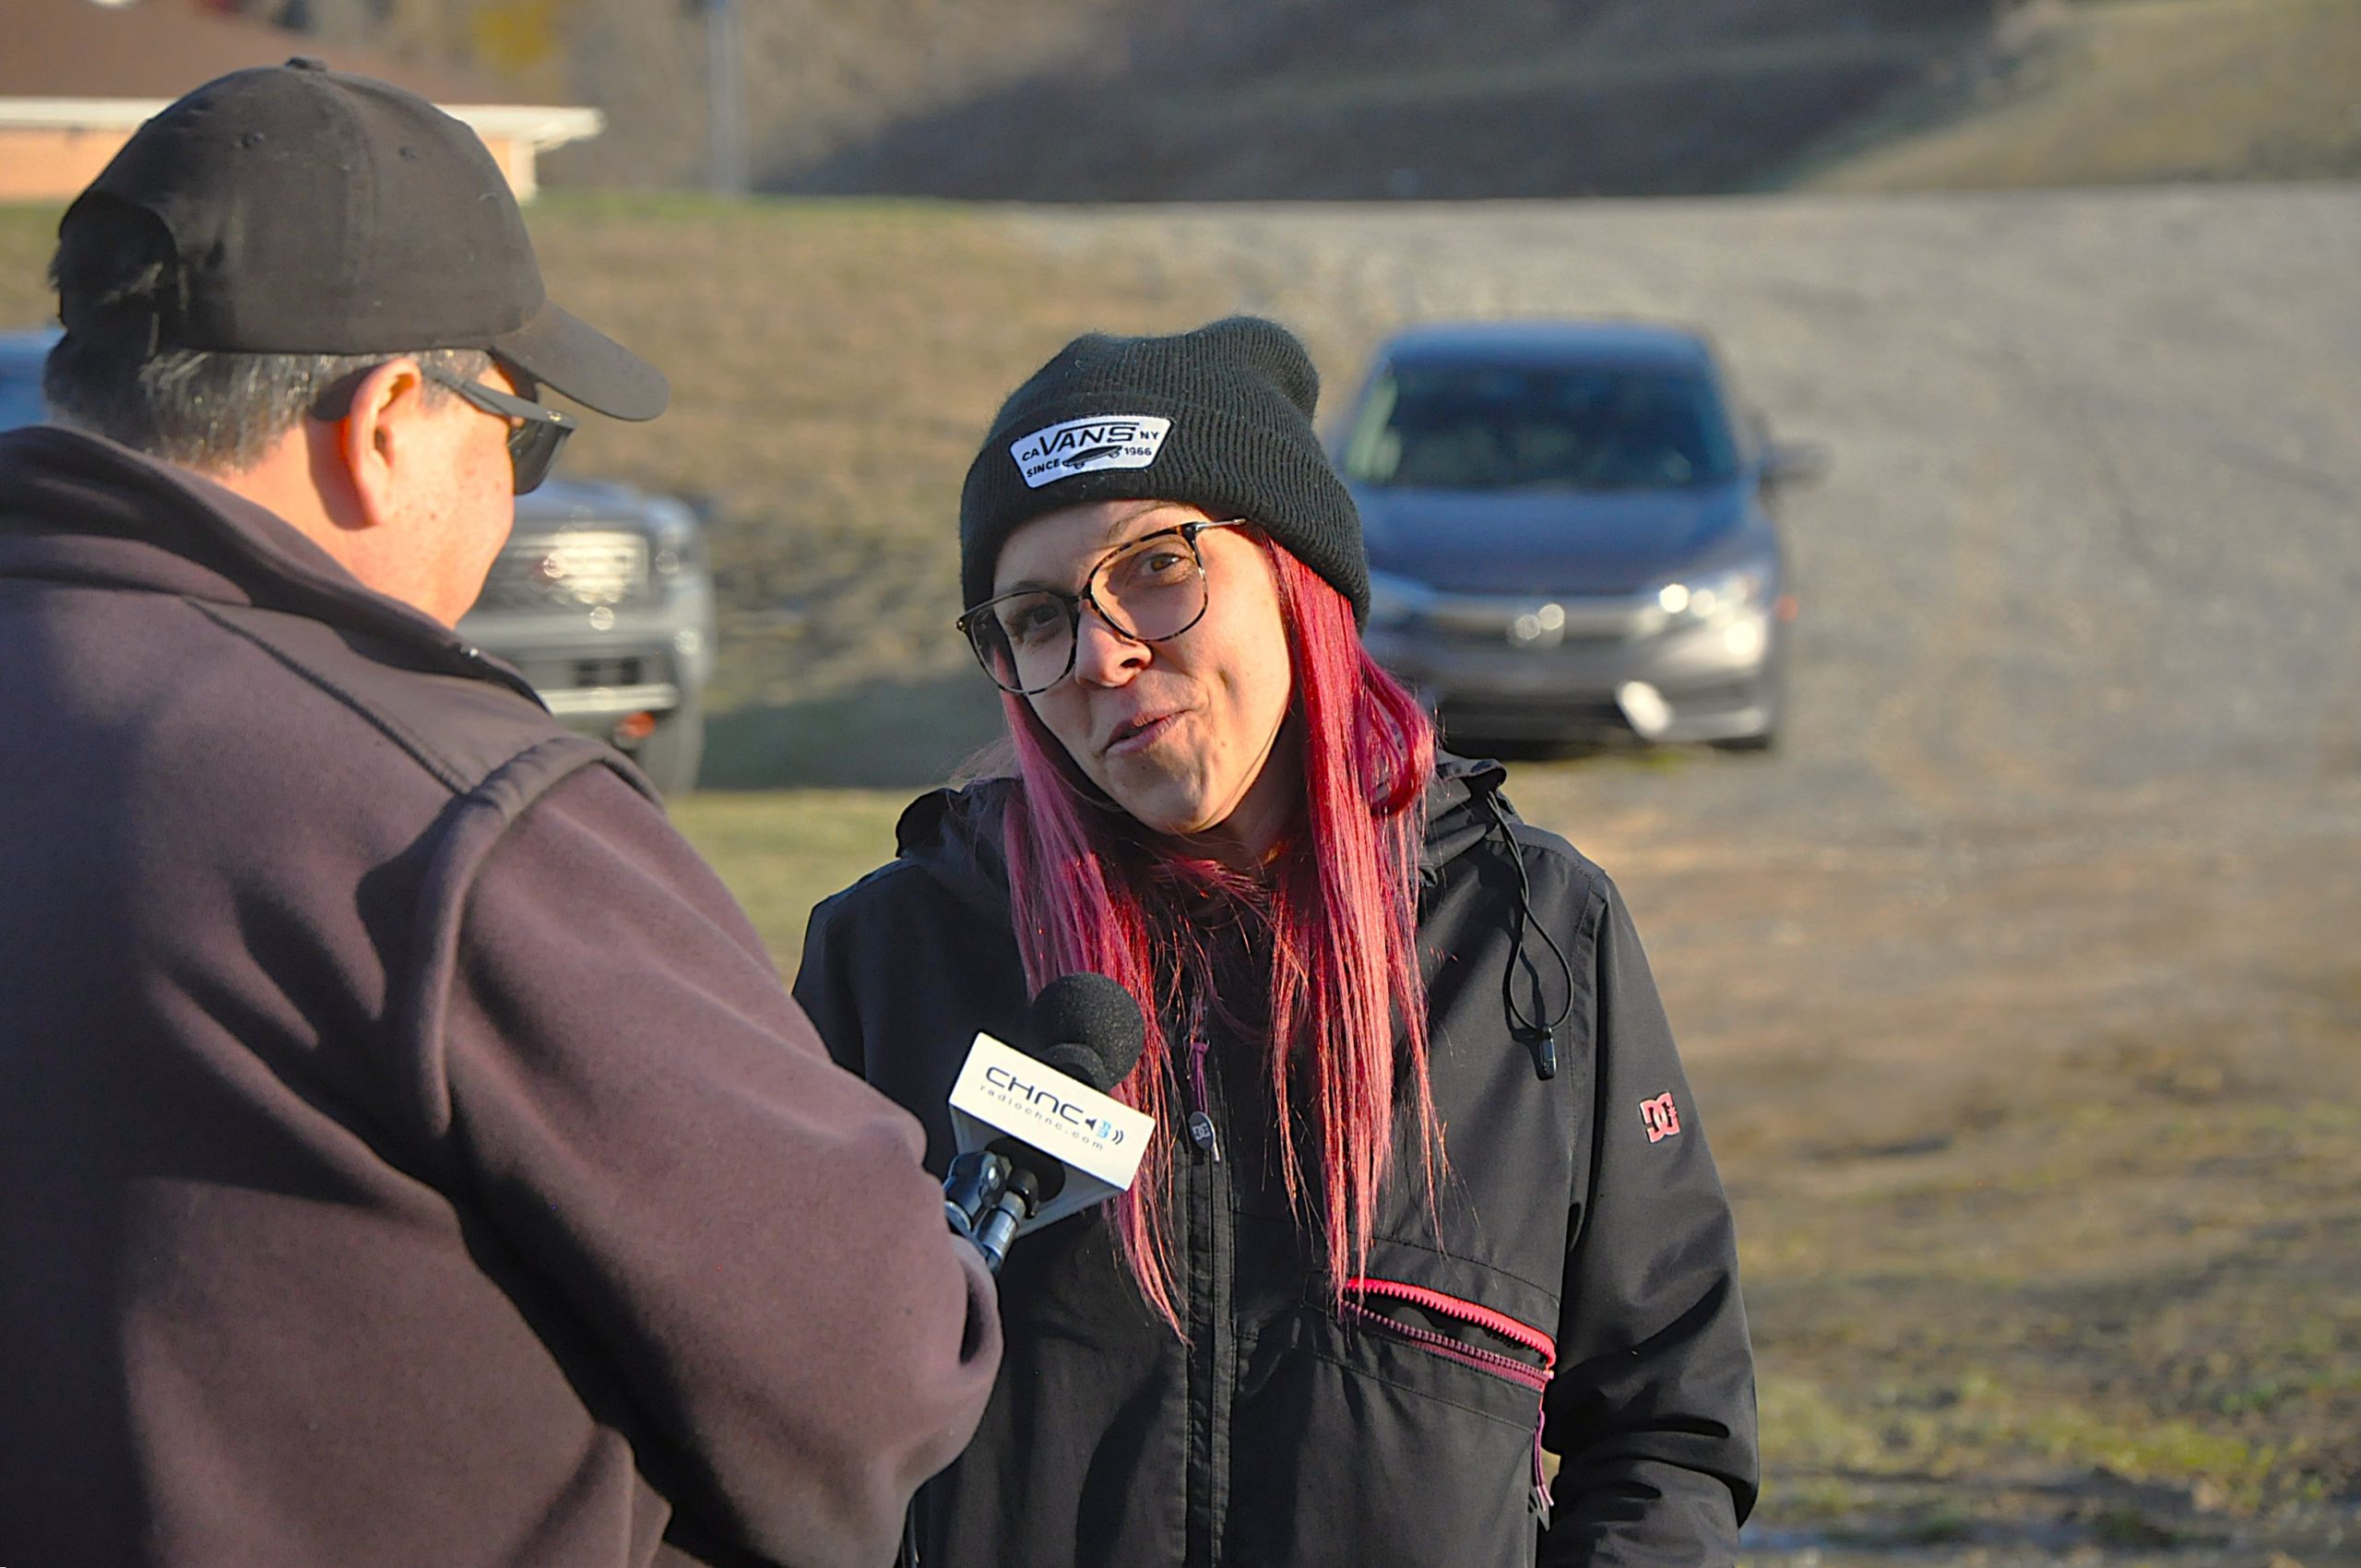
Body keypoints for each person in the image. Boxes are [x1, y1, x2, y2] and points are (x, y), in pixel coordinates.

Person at [0, 61, 998, 1568]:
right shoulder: (431, 808)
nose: (517, 494)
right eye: (520, 438)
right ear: (389, 418)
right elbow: (876, 1349)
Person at [795, 316, 1758, 1567]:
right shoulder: (898, 955)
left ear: (1296, 578)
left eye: (1153, 567)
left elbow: (1666, 1432)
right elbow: (784, 1431)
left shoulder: (1534, 935)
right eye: (1037, 618)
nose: (1101, 653)